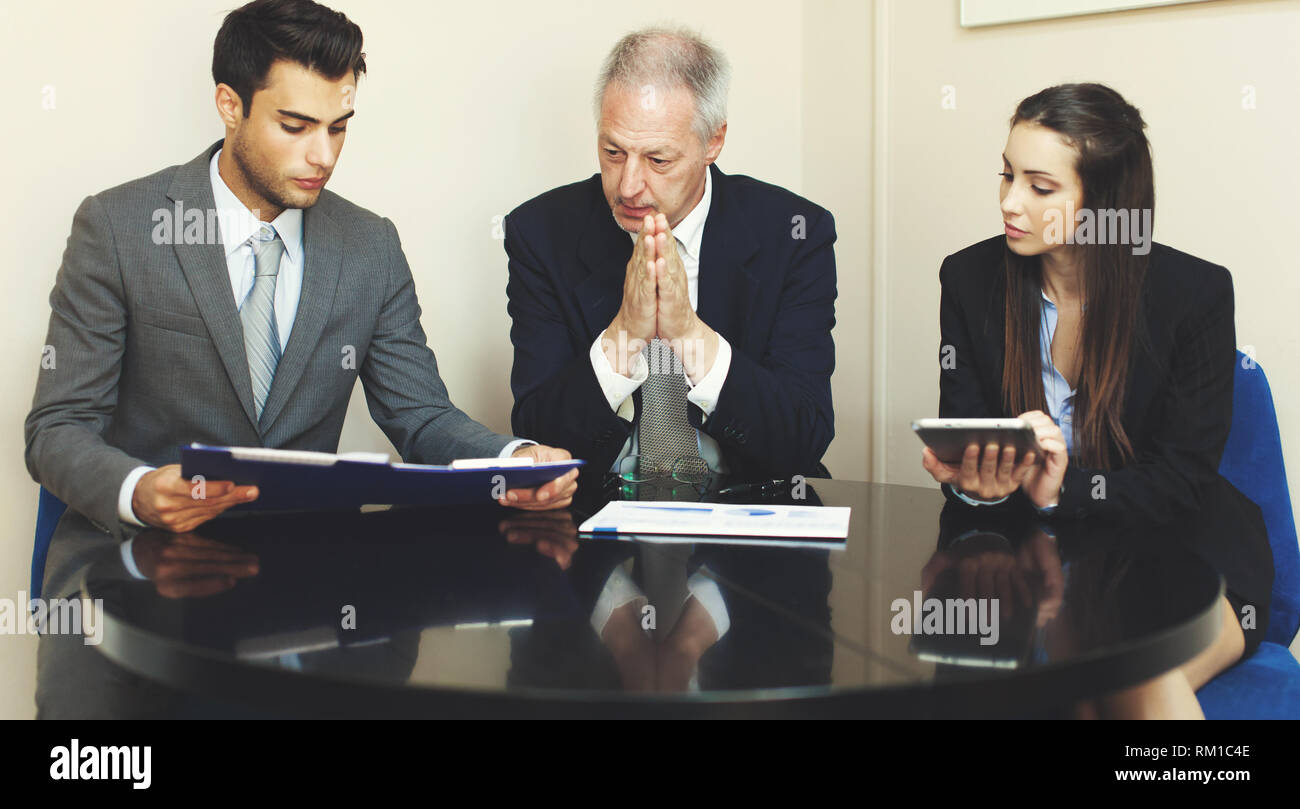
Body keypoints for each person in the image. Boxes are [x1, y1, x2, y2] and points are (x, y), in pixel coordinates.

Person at [24, 0, 577, 539]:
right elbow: (58, 428)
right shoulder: (118, 228)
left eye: (338, 128)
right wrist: (138, 490)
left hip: (304, 567)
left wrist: (515, 458)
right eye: (295, 126)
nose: (324, 156)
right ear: (229, 104)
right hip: (143, 562)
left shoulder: (370, 246)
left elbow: (422, 416)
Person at [922, 82, 1273, 718]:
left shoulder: (1193, 295)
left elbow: (1182, 481)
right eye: (1006, 176)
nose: (1010, 202)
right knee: (1051, 693)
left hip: (1184, 552)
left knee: (1130, 683)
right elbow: (968, 437)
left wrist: (1064, 491)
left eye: (1040, 186)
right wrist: (978, 481)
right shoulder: (968, 279)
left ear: (1103, 201)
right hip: (1039, 563)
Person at [503, 26, 837, 485]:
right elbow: (539, 434)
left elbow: (803, 436)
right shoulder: (541, 233)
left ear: (713, 142)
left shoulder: (795, 233)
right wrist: (623, 336)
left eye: (658, 160)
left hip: (753, 507)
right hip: (597, 512)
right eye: (613, 152)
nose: (627, 186)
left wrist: (688, 334)